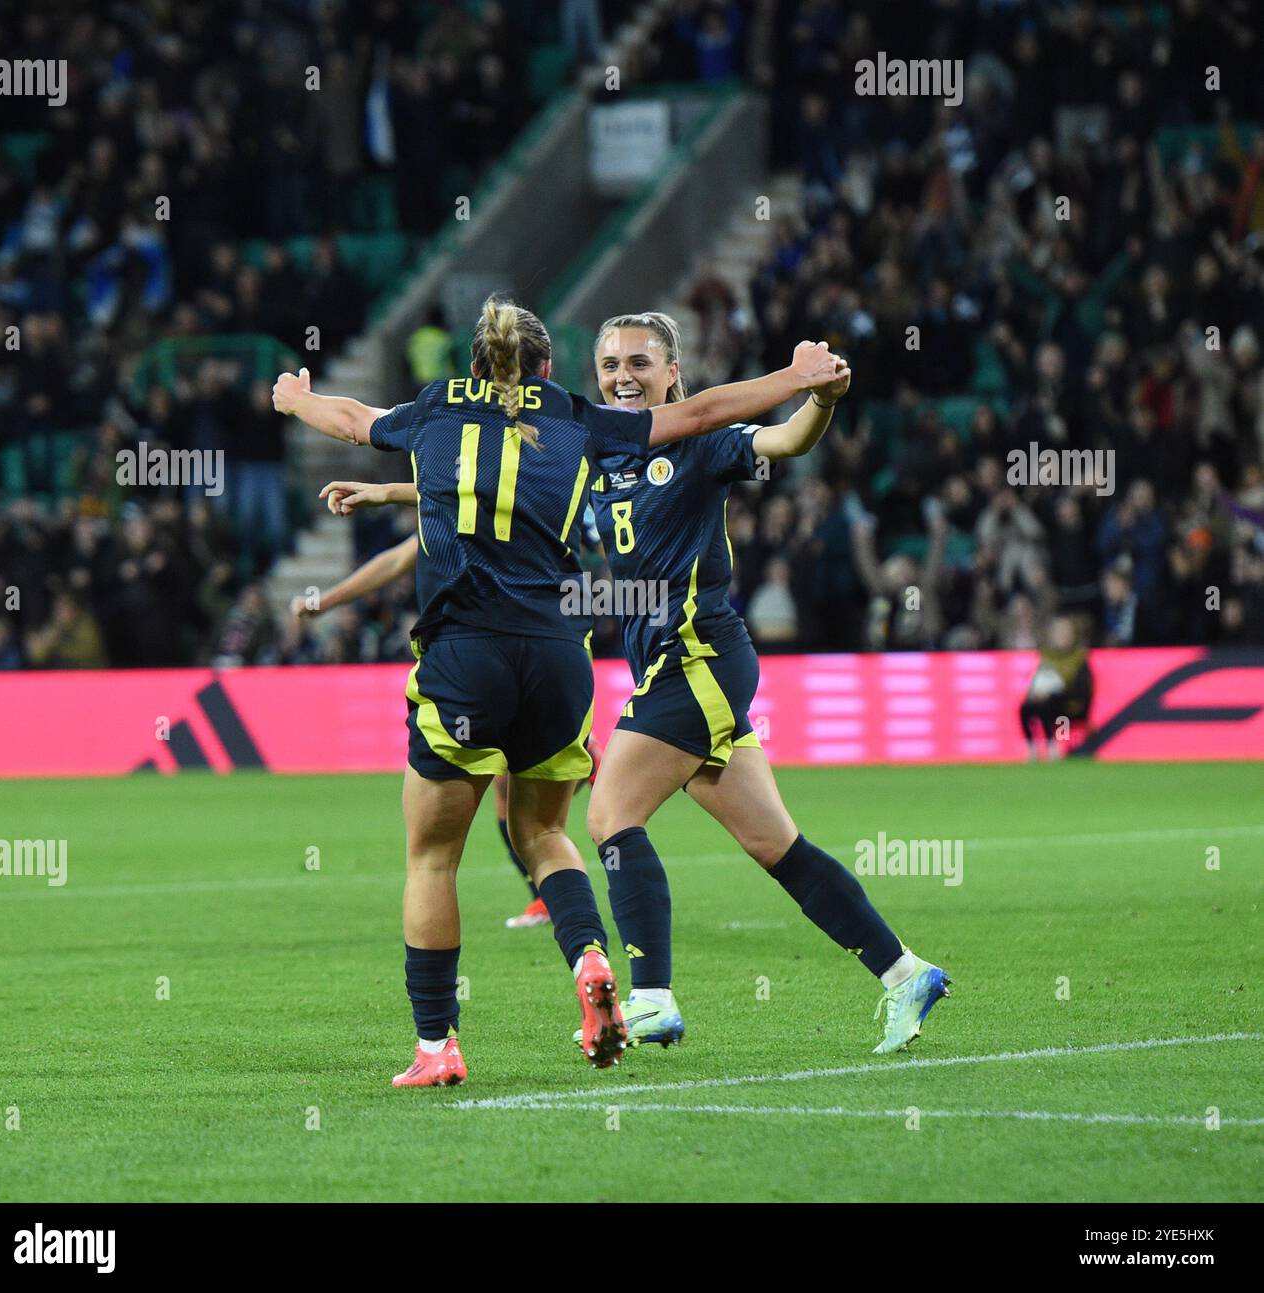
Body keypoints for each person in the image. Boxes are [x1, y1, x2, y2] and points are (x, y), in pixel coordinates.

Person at [272, 296, 842, 1087]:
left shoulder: (435, 409)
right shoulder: (579, 420)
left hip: (464, 655)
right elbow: (706, 409)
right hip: (557, 658)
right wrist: (796, 374)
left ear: (474, 366)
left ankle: (438, 1046)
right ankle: (591, 962)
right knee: (543, 836)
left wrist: (296, 399)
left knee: (433, 857)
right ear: (547, 367)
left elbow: (352, 418)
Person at [580, 312, 950, 1055]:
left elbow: (784, 440)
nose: (624, 375)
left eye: (640, 363)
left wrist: (822, 400)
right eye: (611, 363)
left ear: (673, 373)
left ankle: (651, 995)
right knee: (775, 843)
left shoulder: (699, 441)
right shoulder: (591, 452)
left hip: (702, 656)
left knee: (610, 813)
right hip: (667, 664)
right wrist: (395, 495)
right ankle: (905, 971)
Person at [288, 530, 598, 928]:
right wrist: (327, 601)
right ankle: (557, 909)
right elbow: (399, 557)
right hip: (546, 654)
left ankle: (592, 767)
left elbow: (401, 557)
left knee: (452, 846)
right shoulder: (488, 499)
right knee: (518, 805)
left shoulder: (464, 504)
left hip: (487, 654)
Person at [1019, 615, 1093, 759]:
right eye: (1059, 632)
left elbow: (1082, 691)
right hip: (1047, 703)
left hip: (1070, 705)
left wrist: (1054, 694)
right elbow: (1035, 681)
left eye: (1066, 632)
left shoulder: (1079, 658)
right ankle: (1033, 746)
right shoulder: (1046, 657)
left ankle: (1059, 745)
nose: (1062, 636)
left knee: (1055, 710)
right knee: (1026, 708)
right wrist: (1034, 694)